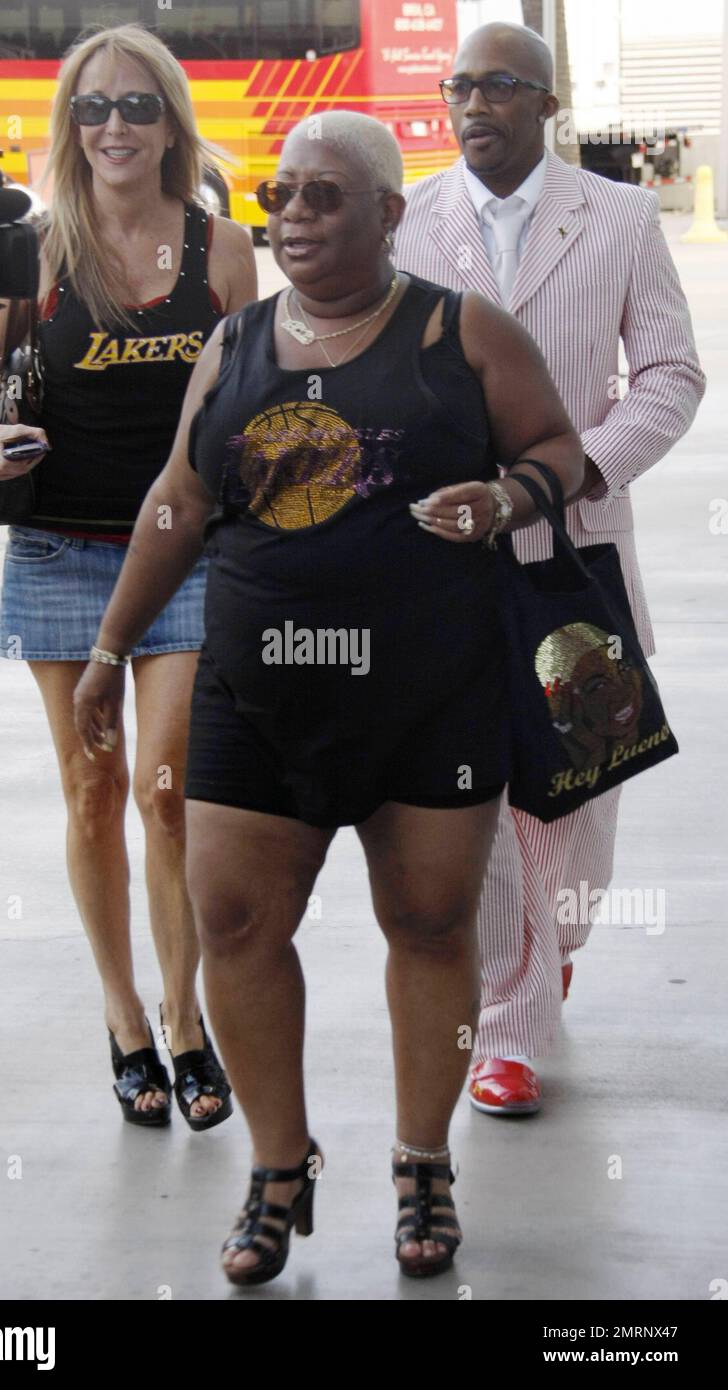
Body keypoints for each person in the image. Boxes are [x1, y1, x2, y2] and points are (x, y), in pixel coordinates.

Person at [73, 108, 590, 1283]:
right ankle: (276, 1163)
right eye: (280, 195)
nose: (292, 217)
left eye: (322, 197)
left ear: (387, 214)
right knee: (235, 924)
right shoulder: (235, 344)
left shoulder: (462, 335)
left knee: (425, 923)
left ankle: (421, 1161)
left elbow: (559, 446)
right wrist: (110, 650)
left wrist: (507, 499)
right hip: (257, 697)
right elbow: (177, 502)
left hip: (428, 697)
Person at [0, 24, 257, 1128]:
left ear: (172, 121)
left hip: (181, 551)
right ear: (67, 125)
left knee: (166, 787)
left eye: (137, 106)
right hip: (60, 548)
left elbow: (248, 404)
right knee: (92, 789)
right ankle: (123, 1017)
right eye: (93, 107)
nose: (114, 126)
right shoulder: (33, 248)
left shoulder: (220, 250)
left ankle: (186, 1021)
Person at [394, 22, 705, 1115]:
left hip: (574, 561)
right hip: (445, 564)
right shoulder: (412, 222)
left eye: (494, 88)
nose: (469, 106)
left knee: (575, 803)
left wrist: (580, 470)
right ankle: (509, 1028)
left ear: (545, 102)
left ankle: (549, 946)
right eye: (455, 87)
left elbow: (668, 372)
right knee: (493, 806)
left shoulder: (615, 218)